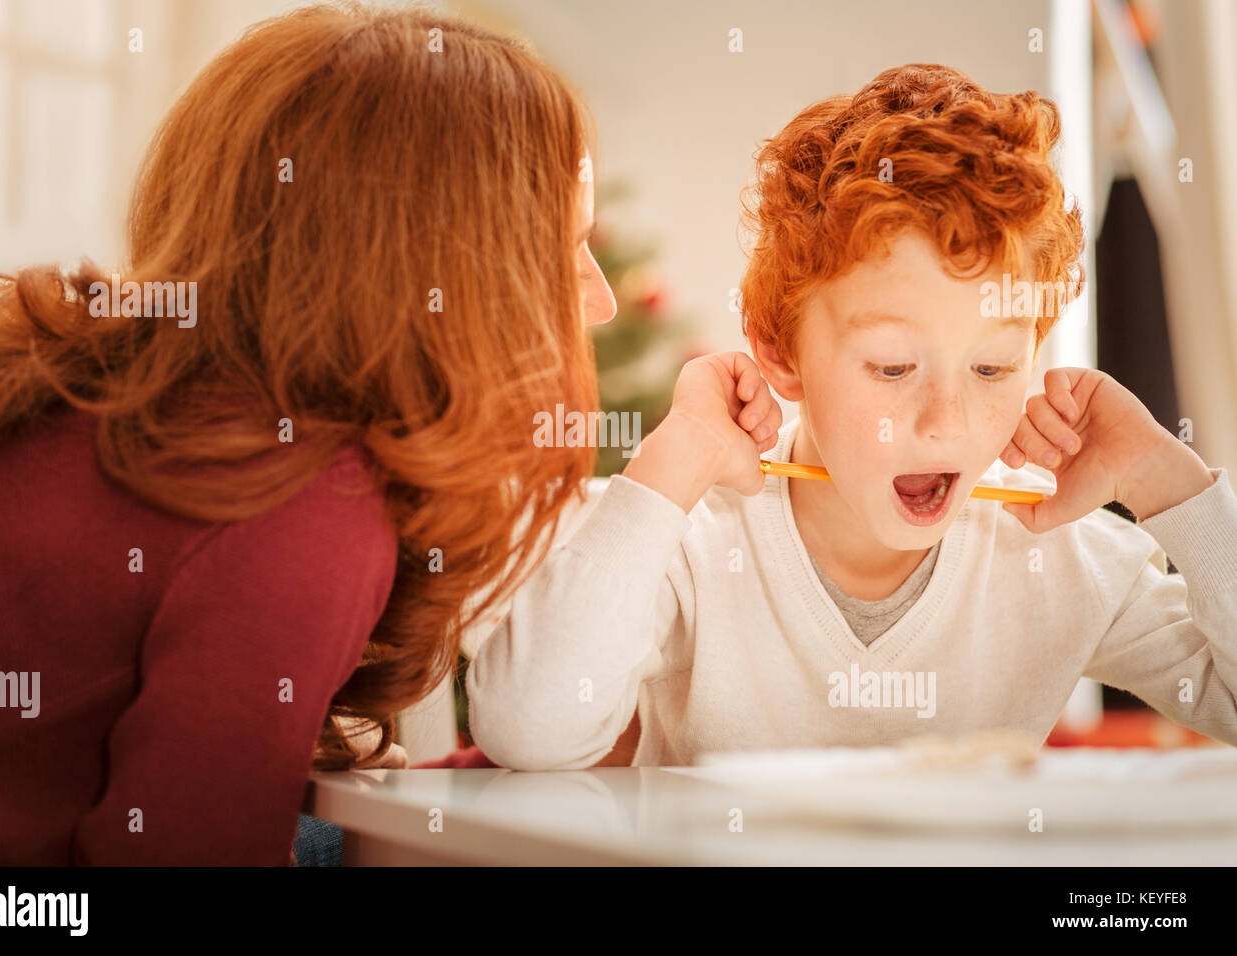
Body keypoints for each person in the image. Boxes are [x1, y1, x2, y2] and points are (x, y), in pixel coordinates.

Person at [0, 2, 619, 865]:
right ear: (445, 274)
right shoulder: (303, 498)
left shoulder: (121, 381)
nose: (601, 301)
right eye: (565, 251)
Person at [466, 63, 1237, 769]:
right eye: (893, 368)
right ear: (780, 353)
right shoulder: (687, 538)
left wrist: (1173, 486)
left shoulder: (1065, 560)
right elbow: (529, 731)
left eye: (993, 369)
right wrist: (672, 465)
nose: (946, 420)